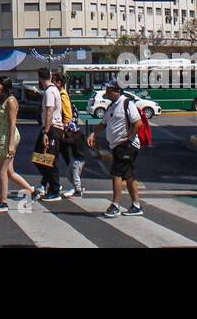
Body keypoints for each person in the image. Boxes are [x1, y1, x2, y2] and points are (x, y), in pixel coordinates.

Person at [89, 79, 143, 217]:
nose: (106, 92)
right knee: (129, 175)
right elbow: (104, 123)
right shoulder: (112, 106)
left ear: (117, 91)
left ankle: (115, 205)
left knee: (116, 174)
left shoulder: (127, 103)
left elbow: (138, 123)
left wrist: (130, 137)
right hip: (117, 145)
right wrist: (94, 134)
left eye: (109, 90)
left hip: (126, 146)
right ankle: (136, 205)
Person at [0, 76, 36, 210]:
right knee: (9, 171)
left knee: (1, 170)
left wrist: (10, 144)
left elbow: (12, 123)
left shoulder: (11, 101)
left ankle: (3, 201)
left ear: (4, 86)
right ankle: (32, 191)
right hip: (4, 136)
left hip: (9, 137)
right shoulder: (4, 100)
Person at [33, 68, 64, 202]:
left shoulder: (50, 92)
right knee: (43, 158)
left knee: (47, 159)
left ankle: (55, 188)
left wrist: (46, 131)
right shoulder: (52, 90)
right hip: (52, 128)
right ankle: (50, 184)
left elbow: (50, 111)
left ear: (39, 78)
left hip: (52, 128)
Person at [54, 72, 85, 198]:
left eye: (54, 80)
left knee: (64, 159)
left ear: (59, 83)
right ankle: (52, 183)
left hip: (61, 130)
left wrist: (65, 129)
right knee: (62, 159)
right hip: (60, 129)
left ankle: (74, 187)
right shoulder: (58, 94)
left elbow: (67, 114)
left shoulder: (62, 95)